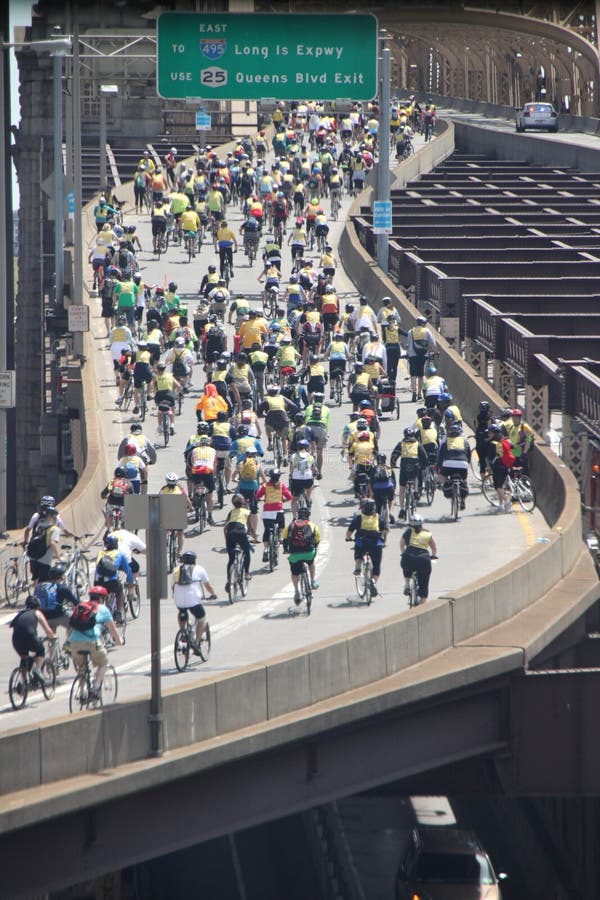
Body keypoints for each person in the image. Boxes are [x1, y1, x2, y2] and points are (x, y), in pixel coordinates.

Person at [70, 585, 123, 699]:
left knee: (82, 669)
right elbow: (112, 629)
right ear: (101, 598)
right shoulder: (103, 609)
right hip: (92, 642)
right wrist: (118, 641)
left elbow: (71, 626)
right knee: (103, 663)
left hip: (74, 642)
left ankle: (81, 693)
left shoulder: (80, 606)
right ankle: (95, 688)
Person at [172, 550, 216, 650]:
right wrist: (213, 594)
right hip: (193, 601)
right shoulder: (199, 569)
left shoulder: (177, 570)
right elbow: (207, 586)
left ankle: (182, 632)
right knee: (201, 618)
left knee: (182, 612)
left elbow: (172, 586)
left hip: (179, 600)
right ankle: (196, 643)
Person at [10, 595, 56, 683]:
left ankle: (22, 683)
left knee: (24, 657)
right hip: (30, 637)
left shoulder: (20, 613)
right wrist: (53, 637)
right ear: (37, 606)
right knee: (41, 650)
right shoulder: (37, 613)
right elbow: (48, 630)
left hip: (16, 639)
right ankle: (37, 670)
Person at [282, 500, 320, 603]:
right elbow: (317, 538)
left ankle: (296, 591)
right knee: (311, 563)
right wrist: (315, 547)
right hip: (308, 553)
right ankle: (313, 581)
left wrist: (285, 549)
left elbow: (284, 537)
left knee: (295, 573)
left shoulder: (292, 525)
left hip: (295, 554)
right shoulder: (312, 525)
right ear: (308, 516)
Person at [345, 497, 386, 593]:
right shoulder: (378, 517)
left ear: (363, 508)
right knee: (376, 565)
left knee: (358, 554)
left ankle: (358, 567)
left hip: (362, 543)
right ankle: (373, 582)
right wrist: (382, 537)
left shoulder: (358, 518)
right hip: (375, 544)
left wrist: (348, 538)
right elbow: (384, 529)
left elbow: (350, 531)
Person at [93, 533, 135, 623]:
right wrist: (131, 582)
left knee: (99, 596)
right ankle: (118, 613)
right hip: (111, 582)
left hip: (98, 581)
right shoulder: (119, 554)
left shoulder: (100, 553)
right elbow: (128, 570)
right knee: (119, 591)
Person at [391, 427, 429, 520]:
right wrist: (423, 466)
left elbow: (394, 455)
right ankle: (415, 491)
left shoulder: (401, 443)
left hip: (404, 467)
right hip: (414, 466)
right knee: (415, 475)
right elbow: (424, 457)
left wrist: (393, 464)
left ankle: (402, 509)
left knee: (402, 489)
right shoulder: (418, 444)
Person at [400, 514, 438, 605]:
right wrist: (433, 556)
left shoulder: (408, 532)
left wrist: (403, 552)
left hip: (409, 557)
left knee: (406, 567)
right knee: (424, 584)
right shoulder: (427, 533)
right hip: (423, 559)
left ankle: (407, 584)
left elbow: (401, 543)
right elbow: (434, 547)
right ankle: (423, 605)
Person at [256, 469, 292, 564]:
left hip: (267, 513)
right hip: (278, 512)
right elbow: (289, 496)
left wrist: (259, 499)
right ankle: (280, 537)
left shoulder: (265, 486)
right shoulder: (281, 485)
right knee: (282, 526)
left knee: (267, 530)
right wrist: (284, 500)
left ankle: (266, 549)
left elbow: (257, 496)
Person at [33, 562, 79, 637]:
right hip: (58, 616)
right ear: (61, 577)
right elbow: (76, 602)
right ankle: (68, 642)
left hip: (44, 617)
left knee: (52, 634)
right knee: (74, 624)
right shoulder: (62, 588)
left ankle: (51, 641)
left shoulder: (40, 586)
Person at [223, 493, 254, 592]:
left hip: (230, 533)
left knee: (231, 559)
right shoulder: (246, 512)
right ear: (243, 502)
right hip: (241, 533)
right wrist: (254, 536)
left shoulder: (231, 512)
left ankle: (229, 581)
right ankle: (246, 573)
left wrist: (226, 539)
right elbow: (250, 528)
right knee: (247, 552)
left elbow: (225, 527)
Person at [437, 422, 471, 509]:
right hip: (463, 465)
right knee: (464, 479)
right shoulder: (465, 442)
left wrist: (438, 467)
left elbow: (440, 457)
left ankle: (447, 484)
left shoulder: (446, 443)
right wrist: (467, 464)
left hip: (448, 464)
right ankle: (463, 500)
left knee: (441, 474)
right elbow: (468, 455)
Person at [258, 385, 296, 462]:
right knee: (284, 439)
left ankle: (270, 442)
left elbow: (258, 412)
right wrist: (289, 414)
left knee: (267, 426)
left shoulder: (266, 399)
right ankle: (285, 455)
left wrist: (263, 415)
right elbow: (294, 406)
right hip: (283, 421)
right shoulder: (282, 398)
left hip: (270, 421)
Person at [159, 472, 194, 555]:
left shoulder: (163, 489)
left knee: (165, 531)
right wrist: (191, 507)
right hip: (178, 513)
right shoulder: (180, 489)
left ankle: (164, 546)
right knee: (180, 533)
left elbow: (158, 499)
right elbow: (187, 500)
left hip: (166, 514)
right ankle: (179, 552)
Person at [26, 505, 61, 584]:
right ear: (52, 516)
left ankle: (36, 591)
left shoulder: (39, 524)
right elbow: (52, 543)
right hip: (45, 559)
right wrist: (58, 556)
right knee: (44, 583)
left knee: (36, 581)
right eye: (55, 516)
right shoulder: (54, 529)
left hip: (33, 557)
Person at [485, 421, 516, 511]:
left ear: (494, 434)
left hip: (498, 467)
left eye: (490, 433)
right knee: (501, 486)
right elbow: (512, 446)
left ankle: (506, 501)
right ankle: (501, 505)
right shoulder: (504, 441)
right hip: (506, 466)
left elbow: (490, 457)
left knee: (497, 486)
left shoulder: (492, 444)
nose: (488, 434)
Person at [407, 316, 436, 402]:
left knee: (413, 375)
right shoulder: (427, 331)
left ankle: (414, 392)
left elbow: (408, 344)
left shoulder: (411, 331)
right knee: (421, 375)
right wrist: (436, 351)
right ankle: (419, 394)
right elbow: (433, 343)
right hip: (423, 355)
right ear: (423, 323)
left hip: (412, 355)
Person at [506, 408, 534, 473]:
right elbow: (510, 439)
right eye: (513, 418)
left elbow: (528, 440)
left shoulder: (524, 427)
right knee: (511, 473)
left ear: (520, 418)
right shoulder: (512, 427)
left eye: (516, 418)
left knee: (523, 473)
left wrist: (524, 452)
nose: (514, 419)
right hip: (512, 454)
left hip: (521, 454)